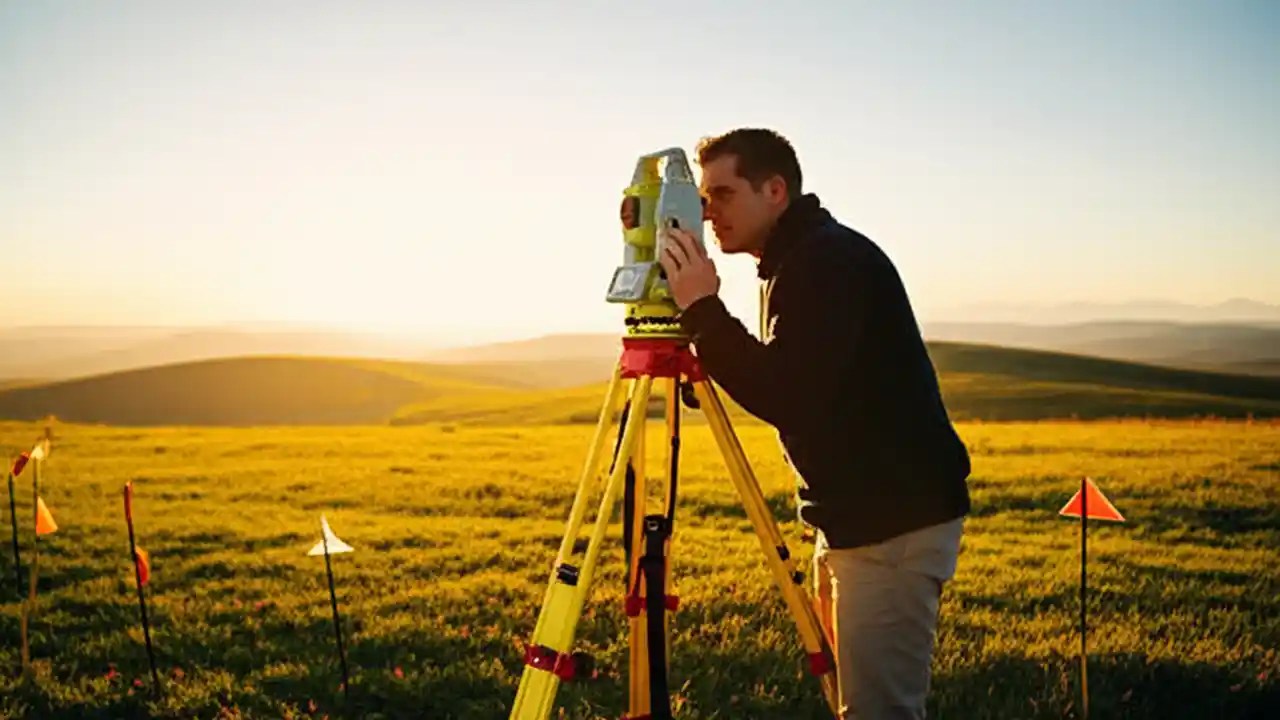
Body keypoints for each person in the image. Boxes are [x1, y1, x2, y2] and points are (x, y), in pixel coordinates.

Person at [656, 128, 971, 719]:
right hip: (863, 517)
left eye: (722, 193)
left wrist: (702, 309)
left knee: (880, 712)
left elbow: (790, 393)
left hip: (890, 525)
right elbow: (802, 380)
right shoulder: (802, 258)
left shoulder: (824, 262)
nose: (706, 212)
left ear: (774, 189)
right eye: (702, 198)